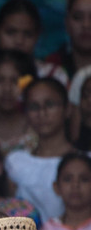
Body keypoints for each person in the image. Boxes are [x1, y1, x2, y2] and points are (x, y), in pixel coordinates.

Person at [5, 78, 78, 222]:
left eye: (49, 104)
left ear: (67, 109)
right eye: (34, 107)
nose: (42, 112)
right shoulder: (16, 162)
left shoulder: (85, 161)